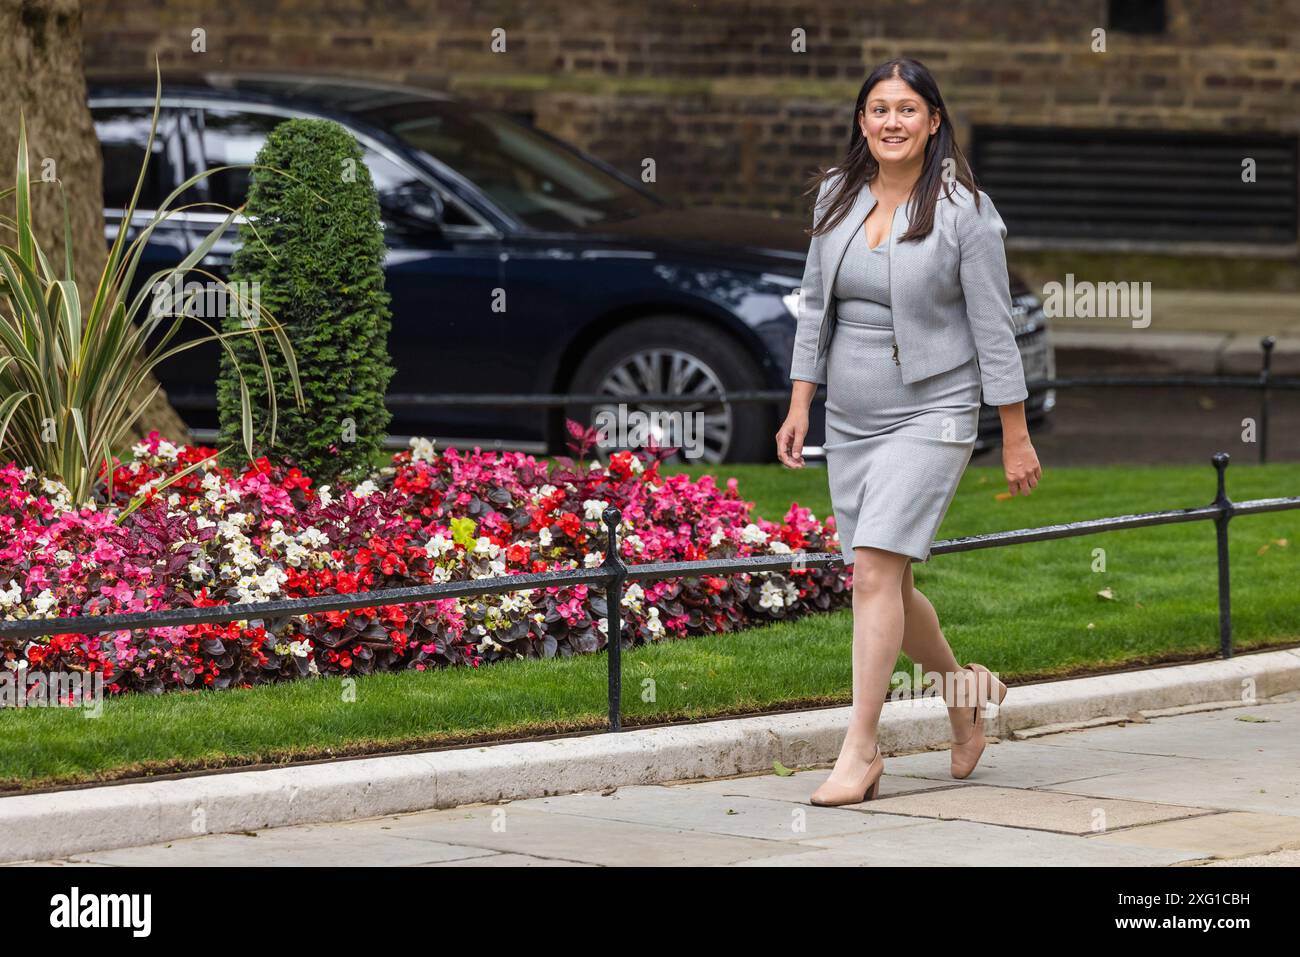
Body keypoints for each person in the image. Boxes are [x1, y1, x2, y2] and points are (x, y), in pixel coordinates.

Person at [775, 57, 1042, 806]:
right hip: (851, 413)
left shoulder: (965, 209)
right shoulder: (836, 196)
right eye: (879, 109)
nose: (893, 121)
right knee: (887, 578)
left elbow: (996, 328)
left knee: (869, 572)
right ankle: (961, 694)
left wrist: (1014, 432)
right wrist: (800, 405)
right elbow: (814, 308)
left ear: (932, 122)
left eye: (908, 109)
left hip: (936, 407)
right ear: (862, 122)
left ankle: (860, 749)